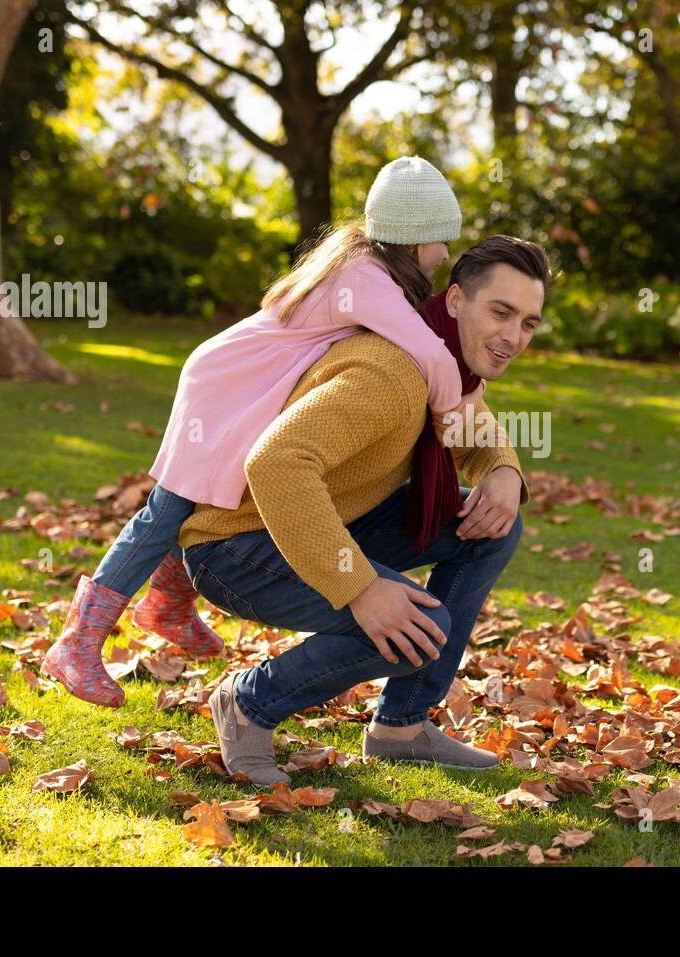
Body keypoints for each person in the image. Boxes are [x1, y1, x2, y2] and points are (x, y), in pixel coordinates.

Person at [42, 157, 481, 707]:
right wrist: (451, 409)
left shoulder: (362, 265)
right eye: (441, 241)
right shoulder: (365, 278)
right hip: (228, 383)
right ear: (414, 238)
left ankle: (166, 606)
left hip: (249, 381)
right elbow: (426, 353)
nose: (444, 255)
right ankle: (78, 644)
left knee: (209, 496)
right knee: (170, 508)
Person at [181, 236, 552, 785]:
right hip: (236, 544)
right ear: (454, 301)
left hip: (334, 517)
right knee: (418, 628)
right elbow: (277, 465)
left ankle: (400, 728)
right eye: (501, 312)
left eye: (528, 323)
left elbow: (464, 422)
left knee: (494, 528)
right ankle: (248, 704)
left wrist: (500, 468)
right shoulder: (392, 373)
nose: (512, 337)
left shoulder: (444, 362)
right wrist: (360, 587)